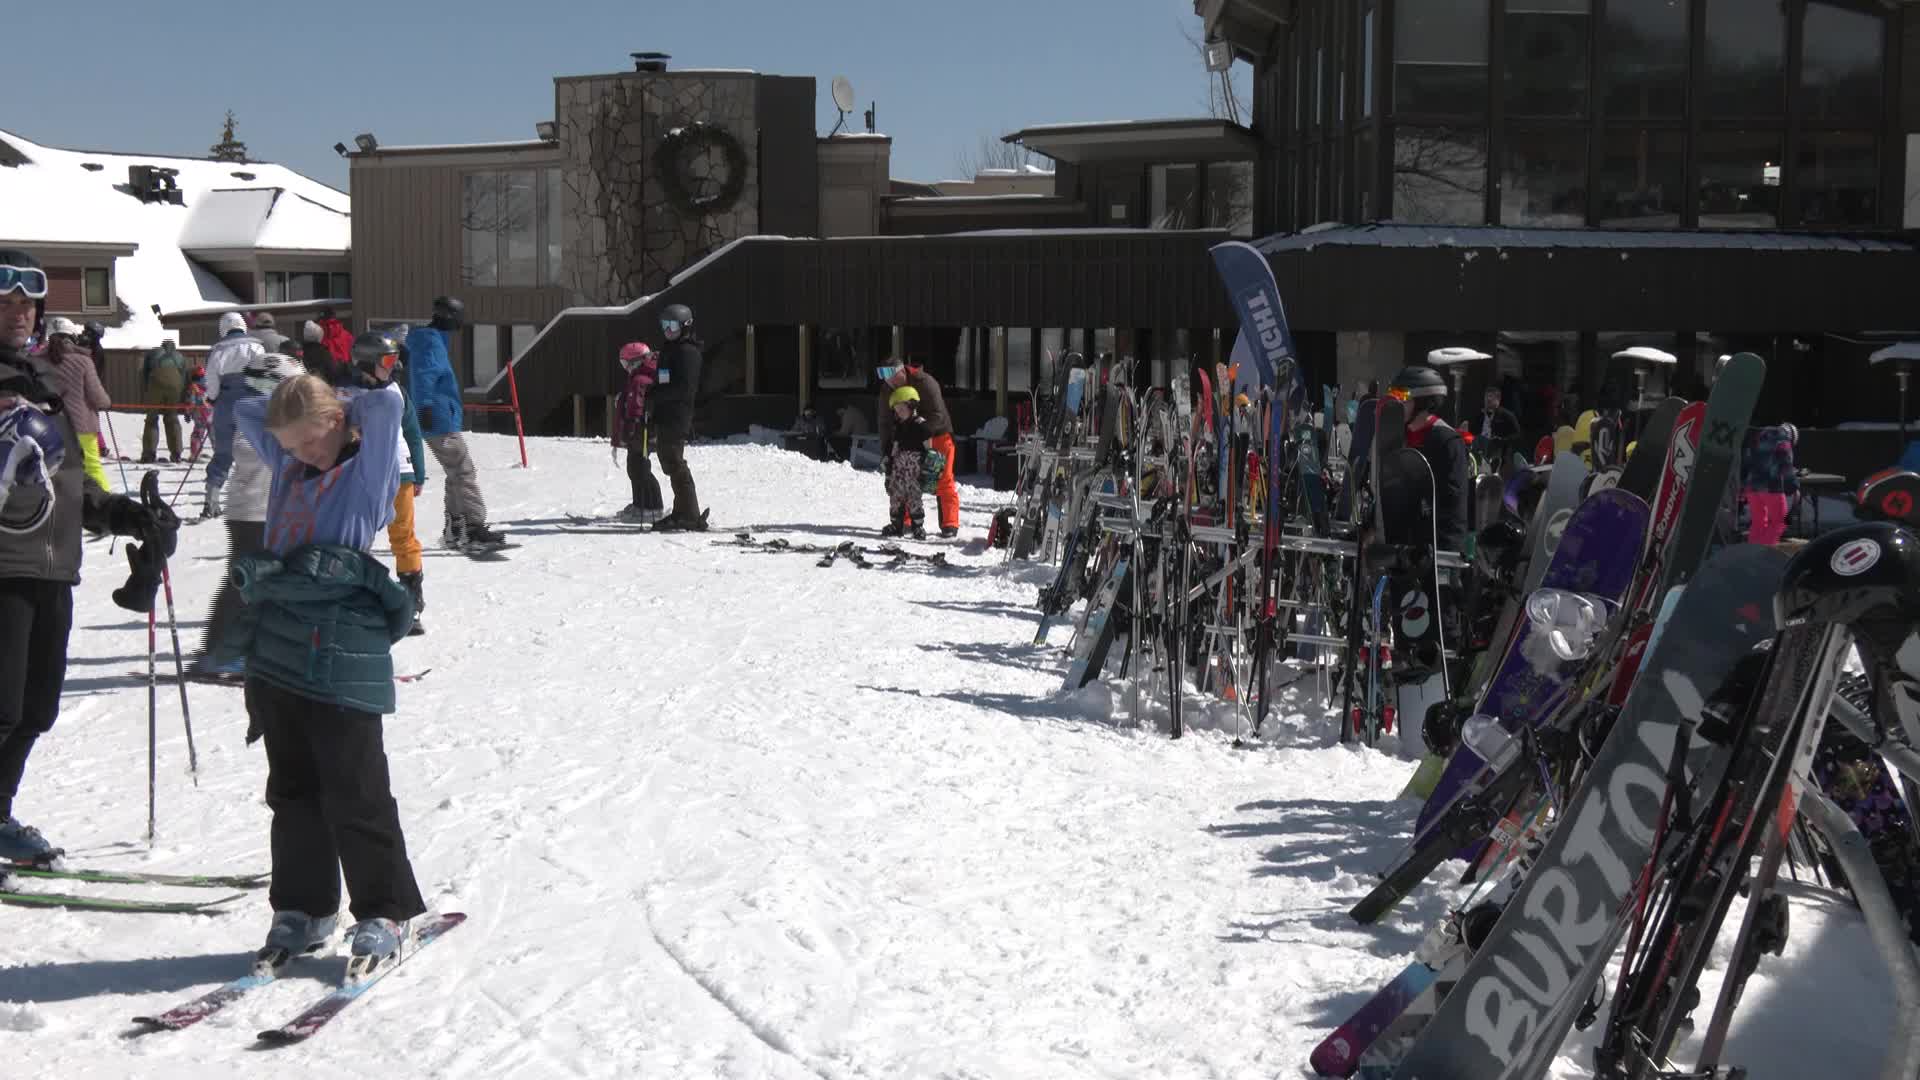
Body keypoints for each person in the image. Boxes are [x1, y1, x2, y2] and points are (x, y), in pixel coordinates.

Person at [224, 371, 428, 976]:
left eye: (310, 442)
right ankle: (305, 909)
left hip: (344, 646)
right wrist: (296, 407)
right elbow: (247, 412)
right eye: (289, 447)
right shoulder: (289, 465)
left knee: (355, 788)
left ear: (338, 424)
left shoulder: (367, 475)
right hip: (280, 646)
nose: (299, 455)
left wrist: (341, 401)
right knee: (292, 791)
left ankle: (385, 910)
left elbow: (389, 402)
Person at [0, 249, 180, 862]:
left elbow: (67, 479)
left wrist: (120, 513)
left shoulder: (43, 380)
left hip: (51, 563)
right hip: (3, 568)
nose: (19, 311)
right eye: (5, 300)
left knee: (34, 709)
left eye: (27, 301)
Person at [192, 349, 306, 677]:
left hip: (264, 512)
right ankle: (219, 654)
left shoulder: (265, 414)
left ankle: (238, 647)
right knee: (243, 584)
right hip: (253, 514)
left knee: (256, 584)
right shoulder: (258, 416)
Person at [406, 296, 506, 551]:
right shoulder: (429, 342)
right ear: (451, 318)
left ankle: (455, 529)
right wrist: (426, 407)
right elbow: (424, 376)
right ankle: (474, 528)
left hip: (441, 415)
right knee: (463, 472)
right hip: (438, 418)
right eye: (460, 317)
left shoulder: (433, 340)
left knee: (455, 474)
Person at [349, 331, 429, 633]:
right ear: (366, 363)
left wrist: (418, 473)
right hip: (361, 473)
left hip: (399, 472)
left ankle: (411, 603)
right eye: (387, 360)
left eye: (396, 360)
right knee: (356, 539)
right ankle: (354, 600)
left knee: (404, 537)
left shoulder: (398, 392)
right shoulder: (348, 393)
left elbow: (412, 432)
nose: (394, 367)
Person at [1387, 365, 1470, 554]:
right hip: (1403, 546)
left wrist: (1446, 555)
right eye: (1394, 396)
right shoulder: (1399, 437)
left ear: (1422, 400)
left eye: (1402, 396)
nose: (1396, 402)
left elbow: (1453, 506)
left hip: (1435, 549)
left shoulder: (1446, 441)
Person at [879, 361, 959, 537]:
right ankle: (905, 520)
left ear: (901, 372)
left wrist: (921, 433)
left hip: (937, 434)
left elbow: (938, 414)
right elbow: (884, 421)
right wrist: (887, 449)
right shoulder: (887, 388)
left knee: (942, 478)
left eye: (890, 376)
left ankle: (949, 523)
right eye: (884, 377)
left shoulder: (925, 382)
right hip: (906, 438)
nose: (888, 381)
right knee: (904, 480)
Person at [649, 303, 708, 532]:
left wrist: (656, 395)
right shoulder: (671, 349)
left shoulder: (687, 352)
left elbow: (684, 389)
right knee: (669, 460)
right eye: (664, 326)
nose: (667, 331)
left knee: (673, 461)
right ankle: (682, 511)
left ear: (685, 326)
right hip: (666, 412)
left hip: (677, 415)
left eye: (672, 326)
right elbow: (666, 380)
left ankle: (689, 514)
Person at [202, 310, 267, 518]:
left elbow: (211, 382)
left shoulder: (217, 349)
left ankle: (211, 500)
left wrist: (212, 398)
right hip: (250, 403)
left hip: (225, 404)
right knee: (254, 453)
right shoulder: (256, 346)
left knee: (223, 453)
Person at [42, 318, 112, 492]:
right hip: (82, 425)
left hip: (49, 426)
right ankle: (105, 506)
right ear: (73, 336)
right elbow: (98, 397)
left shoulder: (37, 360)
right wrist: (105, 403)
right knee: (92, 466)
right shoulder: (83, 361)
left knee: (52, 469)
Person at [612, 342, 665, 524]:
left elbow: (636, 406)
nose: (625, 369)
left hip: (642, 430)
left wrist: (630, 427)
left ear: (635, 362)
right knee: (635, 467)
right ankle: (640, 503)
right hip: (640, 430)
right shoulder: (638, 377)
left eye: (626, 364)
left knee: (640, 468)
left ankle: (652, 506)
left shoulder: (640, 379)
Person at [881, 385, 932, 538]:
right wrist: (889, 464)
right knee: (895, 494)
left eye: (901, 408)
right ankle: (896, 525)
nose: (898, 412)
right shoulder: (898, 426)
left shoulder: (921, 425)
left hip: (915, 466)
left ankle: (918, 526)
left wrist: (927, 468)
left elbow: (929, 449)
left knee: (914, 496)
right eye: (896, 410)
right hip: (899, 465)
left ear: (911, 406)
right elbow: (894, 446)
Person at [1743, 422, 1800, 547]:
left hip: (1752, 486)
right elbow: (1786, 464)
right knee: (1780, 521)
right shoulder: (1783, 441)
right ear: (1791, 435)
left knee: (1758, 522)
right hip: (1771, 486)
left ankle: (1750, 554)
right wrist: (1793, 484)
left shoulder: (1759, 438)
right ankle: (1764, 554)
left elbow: (1747, 461)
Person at [139, 337, 188, 463]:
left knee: (151, 419)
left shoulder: (152, 353)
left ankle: (149, 454)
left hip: (155, 384)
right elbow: (183, 378)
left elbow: (144, 373)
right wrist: (179, 395)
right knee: (172, 418)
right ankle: (176, 453)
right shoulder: (180, 357)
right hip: (175, 387)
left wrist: (146, 391)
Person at [1474, 385, 1522, 470]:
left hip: (1499, 449)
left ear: (1498, 400)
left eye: (1491, 399)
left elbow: (1517, 434)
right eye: (1486, 399)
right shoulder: (1479, 415)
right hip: (1480, 448)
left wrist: (1502, 440)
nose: (1488, 401)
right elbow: (1473, 431)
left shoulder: (1507, 416)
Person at [302, 320, 346, 385]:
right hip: (322, 385)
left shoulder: (300, 351)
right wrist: (341, 366)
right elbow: (333, 371)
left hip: (304, 385)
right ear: (320, 336)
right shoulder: (323, 352)